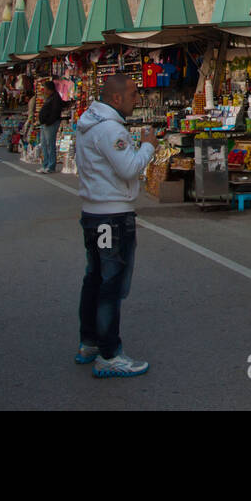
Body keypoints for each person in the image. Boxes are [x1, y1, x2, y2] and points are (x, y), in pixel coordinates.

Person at [74, 73, 156, 378]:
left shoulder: (88, 123)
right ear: (116, 98)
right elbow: (130, 167)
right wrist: (148, 146)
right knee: (110, 284)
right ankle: (109, 354)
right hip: (112, 215)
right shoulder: (109, 130)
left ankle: (90, 342)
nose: (138, 99)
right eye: (134, 94)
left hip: (93, 213)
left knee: (94, 279)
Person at [38, 81, 63, 174]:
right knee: (44, 144)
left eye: (45, 89)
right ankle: (45, 164)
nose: (44, 91)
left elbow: (55, 112)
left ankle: (51, 166)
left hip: (50, 124)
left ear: (49, 89)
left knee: (50, 144)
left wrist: (49, 122)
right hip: (45, 124)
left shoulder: (56, 98)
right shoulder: (50, 98)